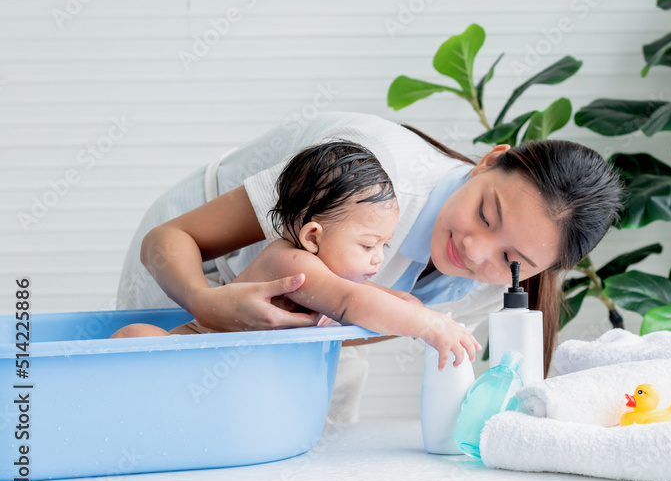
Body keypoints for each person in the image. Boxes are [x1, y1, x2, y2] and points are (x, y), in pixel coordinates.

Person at [116, 111, 621, 421]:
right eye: (486, 215)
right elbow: (172, 238)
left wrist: (378, 314)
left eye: (512, 259)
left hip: (295, 328)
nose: (476, 251)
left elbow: (354, 318)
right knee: (157, 403)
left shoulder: (505, 285)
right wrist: (209, 304)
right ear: (489, 161)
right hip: (197, 268)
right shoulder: (371, 172)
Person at [110, 141, 480, 369]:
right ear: (313, 236)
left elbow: (382, 298)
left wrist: (421, 309)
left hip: (221, 374)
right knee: (139, 337)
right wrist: (428, 327)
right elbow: (353, 301)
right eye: (368, 245)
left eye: (383, 246)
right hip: (187, 357)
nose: (378, 259)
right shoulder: (292, 263)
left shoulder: (326, 277)